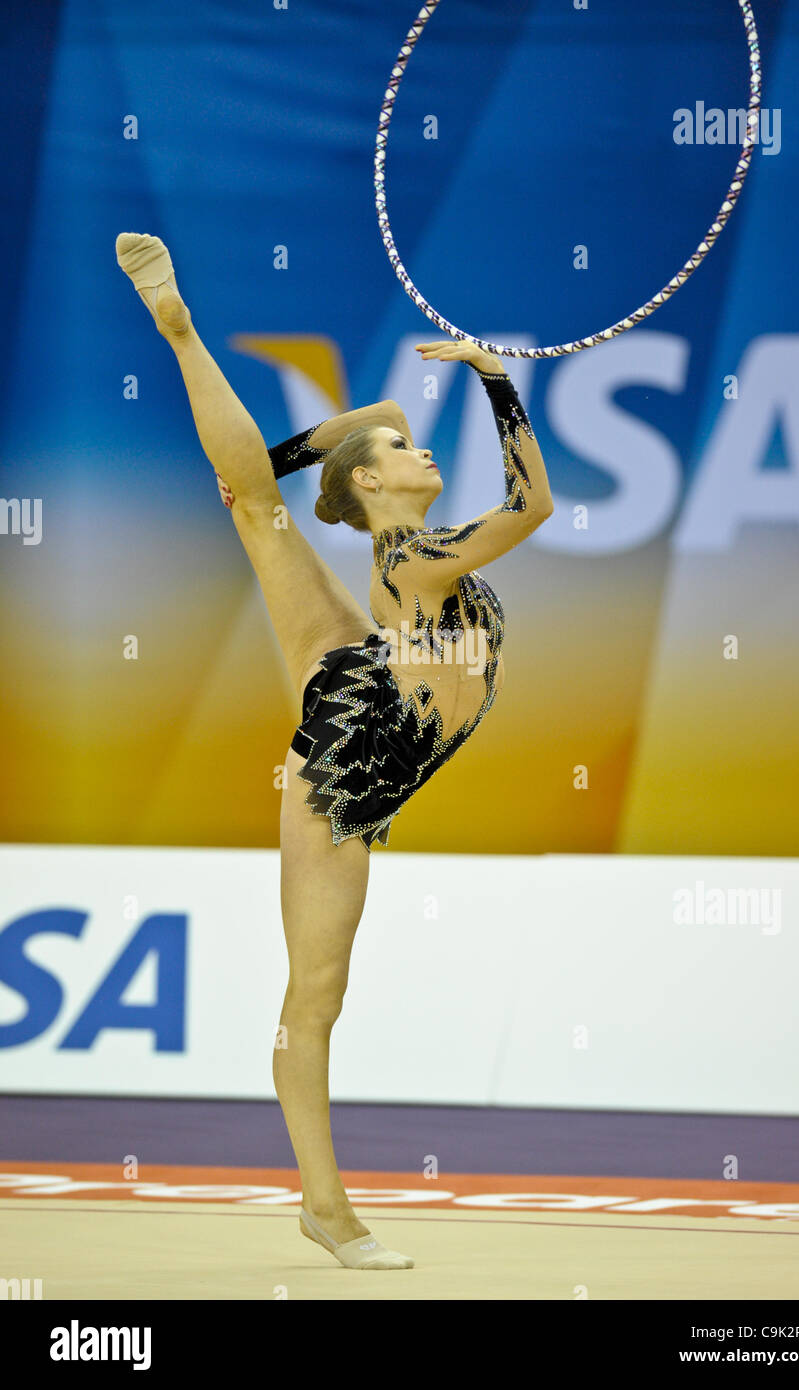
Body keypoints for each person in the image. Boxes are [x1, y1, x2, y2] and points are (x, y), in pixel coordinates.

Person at [116, 232, 554, 1269]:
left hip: (363, 668)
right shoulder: (421, 559)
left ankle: (192, 357)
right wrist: (497, 382)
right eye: (404, 459)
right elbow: (533, 502)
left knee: (261, 511)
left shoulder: (400, 540)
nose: (419, 451)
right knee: (316, 993)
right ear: (375, 494)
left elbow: (378, 427)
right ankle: (325, 1204)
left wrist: (315, 451)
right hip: (347, 768)